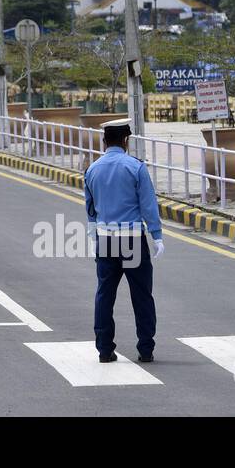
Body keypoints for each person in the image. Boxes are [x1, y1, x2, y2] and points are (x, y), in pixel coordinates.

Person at [83, 118, 163, 363]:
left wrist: (94, 233)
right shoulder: (135, 167)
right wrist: (157, 235)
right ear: (126, 141)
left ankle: (105, 350)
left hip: (106, 240)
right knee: (141, 295)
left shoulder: (92, 169)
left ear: (104, 140)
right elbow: (148, 205)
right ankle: (146, 349)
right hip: (132, 240)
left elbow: (90, 208)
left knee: (104, 295)